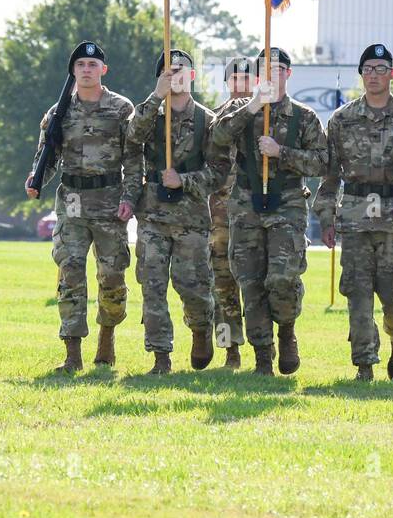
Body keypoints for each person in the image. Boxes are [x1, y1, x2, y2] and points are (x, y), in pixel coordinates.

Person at [315, 43, 393, 381]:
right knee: (357, 292)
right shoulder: (341, 120)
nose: (374, 75)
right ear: (361, 74)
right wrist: (326, 217)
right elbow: (330, 175)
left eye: (381, 68)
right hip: (353, 218)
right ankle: (364, 364)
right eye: (368, 69)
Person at [209, 47, 326, 375]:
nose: (273, 75)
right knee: (250, 282)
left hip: (286, 204)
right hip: (246, 205)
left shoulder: (304, 117)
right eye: (266, 70)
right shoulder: (241, 110)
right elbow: (217, 137)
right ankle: (263, 357)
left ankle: (286, 330)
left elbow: (321, 161)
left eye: (279, 69)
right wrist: (253, 107)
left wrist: (282, 153)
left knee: (281, 277)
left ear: (288, 74)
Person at [26, 41, 139, 373]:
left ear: (103, 70)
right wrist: (35, 180)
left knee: (112, 274)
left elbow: (134, 160)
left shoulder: (121, 108)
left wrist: (130, 198)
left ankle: (107, 338)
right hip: (72, 199)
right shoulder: (58, 112)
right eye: (80, 65)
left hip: (109, 199)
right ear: (73, 71)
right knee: (70, 271)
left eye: (92, 64)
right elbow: (47, 156)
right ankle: (72, 351)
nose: (86, 69)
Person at [126, 49, 228, 373]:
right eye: (170, 71)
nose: (177, 75)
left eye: (182, 69)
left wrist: (183, 180)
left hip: (191, 218)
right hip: (153, 215)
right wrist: (157, 95)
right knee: (152, 285)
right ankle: (160, 356)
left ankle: (200, 330)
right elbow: (131, 135)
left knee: (193, 285)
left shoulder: (208, 121)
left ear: (193, 76)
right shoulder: (151, 115)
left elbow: (219, 172)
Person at [207, 57, 253, 368]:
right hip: (221, 215)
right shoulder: (214, 121)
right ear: (227, 82)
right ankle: (229, 350)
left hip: (257, 215)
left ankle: (266, 349)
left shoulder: (269, 116)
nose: (240, 84)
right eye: (234, 78)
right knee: (222, 285)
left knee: (258, 282)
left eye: (247, 78)